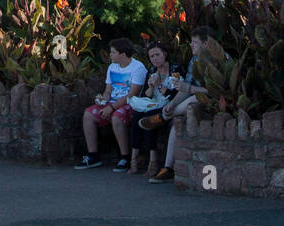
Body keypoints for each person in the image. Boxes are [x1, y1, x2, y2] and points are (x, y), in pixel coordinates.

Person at [140, 27, 220, 184]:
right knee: (178, 123)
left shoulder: (221, 59)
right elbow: (186, 87)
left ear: (206, 44)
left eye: (194, 43)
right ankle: (168, 168)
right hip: (194, 101)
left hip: (217, 102)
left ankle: (162, 118)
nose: (191, 45)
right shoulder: (195, 60)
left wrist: (190, 89)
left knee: (194, 99)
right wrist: (172, 104)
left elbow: (217, 90)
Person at [76, 38, 147, 172]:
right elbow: (109, 88)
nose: (110, 55)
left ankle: (125, 157)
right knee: (88, 114)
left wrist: (112, 107)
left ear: (123, 54)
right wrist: (103, 99)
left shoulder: (138, 68)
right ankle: (93, 155)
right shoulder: (112, 66)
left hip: (130, 103)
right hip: (112, 102)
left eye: (113, 52)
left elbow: (132, 94)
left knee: (117, 117)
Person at [127, 42, 173, 175]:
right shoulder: (152, 71)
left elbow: (172, 93)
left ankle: (153, 160)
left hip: (168, 105)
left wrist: (160, 84)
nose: (155, 59)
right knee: (137, 116)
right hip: (153, 104)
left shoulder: (174, 70)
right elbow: (146, 95)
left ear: (164, 54)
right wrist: (151, 86)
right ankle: (134, 158)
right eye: (152, 56)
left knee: (148, 119)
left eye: (157, 54)